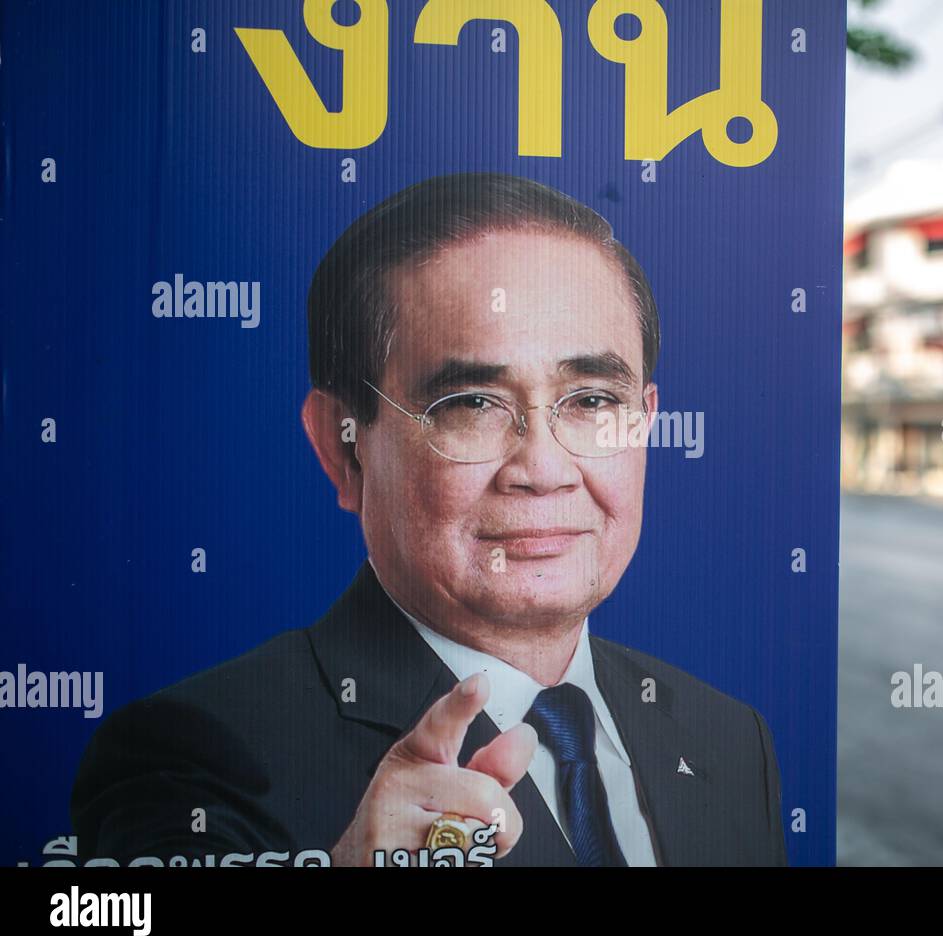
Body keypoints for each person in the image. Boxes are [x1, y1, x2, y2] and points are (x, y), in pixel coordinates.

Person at [70, 172, 787, 867]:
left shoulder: (728, 736)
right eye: (471, 404)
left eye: (592, 401)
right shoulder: (196, 757)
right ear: (342, 448)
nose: (543, 469)